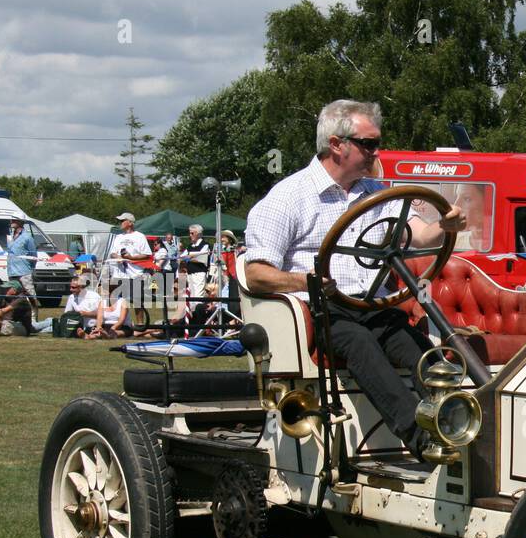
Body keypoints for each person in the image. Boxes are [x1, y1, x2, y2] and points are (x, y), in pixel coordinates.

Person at [244, 98, 465, 461]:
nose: (376, 151)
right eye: (369, 144)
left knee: (424, 354)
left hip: (373, 306)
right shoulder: (288, 197)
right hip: (324, 311)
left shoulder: (377, 194)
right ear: (337, 145)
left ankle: (461, 423)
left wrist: (445, 226)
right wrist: (306, 280)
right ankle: (421, 442)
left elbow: (418, 235)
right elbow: (256, 274)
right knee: (360, 343)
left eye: (376, 143)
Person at [5, 215, 38, 299]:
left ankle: (33, 312)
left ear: (21, 222)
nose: (11, 221)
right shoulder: (10, 236)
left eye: (14, 219)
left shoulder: (27, 237)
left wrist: (30, 269)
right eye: (11, 219)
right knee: (13, 296)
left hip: (24, 272)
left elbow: (33, 255)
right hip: (11, 272)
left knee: (30, 295)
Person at [179, 224, 210, 299]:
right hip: (190, 274)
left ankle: (199, 310)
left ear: (199, 234)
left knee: (198, 296)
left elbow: (201, 257)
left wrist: (189, 257)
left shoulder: (205, 245)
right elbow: (182, 257)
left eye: (192, 233)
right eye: (190, 233)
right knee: (191, 297)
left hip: (199, 274)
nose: (190, 235)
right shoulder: (190, 246)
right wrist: (189, 257)